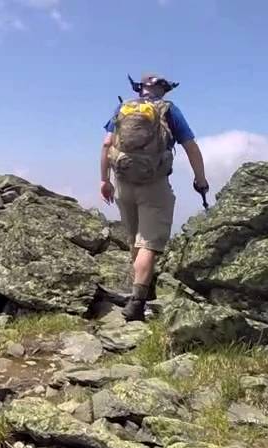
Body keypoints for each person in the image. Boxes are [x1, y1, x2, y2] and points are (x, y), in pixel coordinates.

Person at [100, 73, 209, 321]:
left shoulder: (123, 108)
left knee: (134, 239)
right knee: (148, 243)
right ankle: (137, 304)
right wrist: (200, 180)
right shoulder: (168, 110)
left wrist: (104, 180)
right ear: (163, 90)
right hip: (154, 185)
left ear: (140, 89)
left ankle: (143, 292)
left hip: (123, 182)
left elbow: (107, 144)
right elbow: (190, 146)